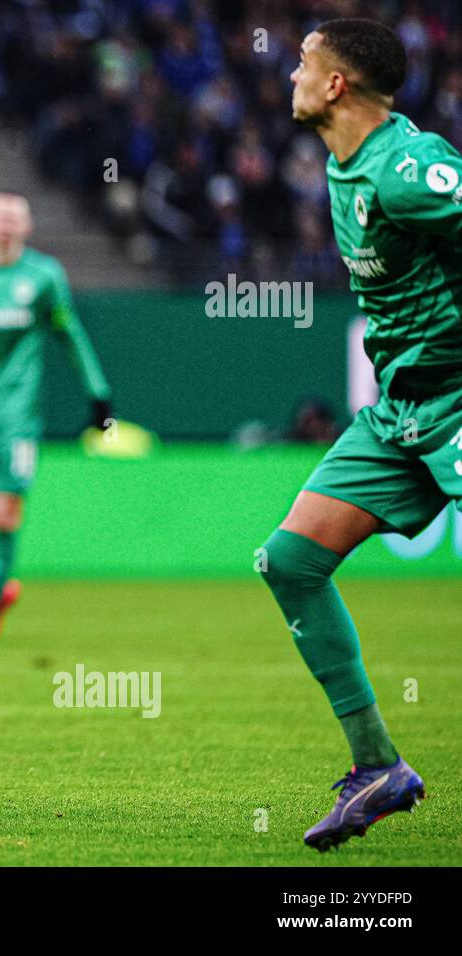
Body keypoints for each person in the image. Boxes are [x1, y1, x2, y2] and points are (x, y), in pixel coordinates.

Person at [265, 18, 460, 850]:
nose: (293, 75)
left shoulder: (410, 170)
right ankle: (378, 765)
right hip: (401, 411)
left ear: (337, 84)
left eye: (305, 64)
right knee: (292, 560)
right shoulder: (344, 168)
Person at [0, 192, 111, 650]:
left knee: (4, 515)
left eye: (17, 217)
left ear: (27, 227)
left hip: (19, 417)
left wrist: (98, 393)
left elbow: (69, 333)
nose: (8, 224)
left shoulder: (45, 277)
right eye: (1, 216)